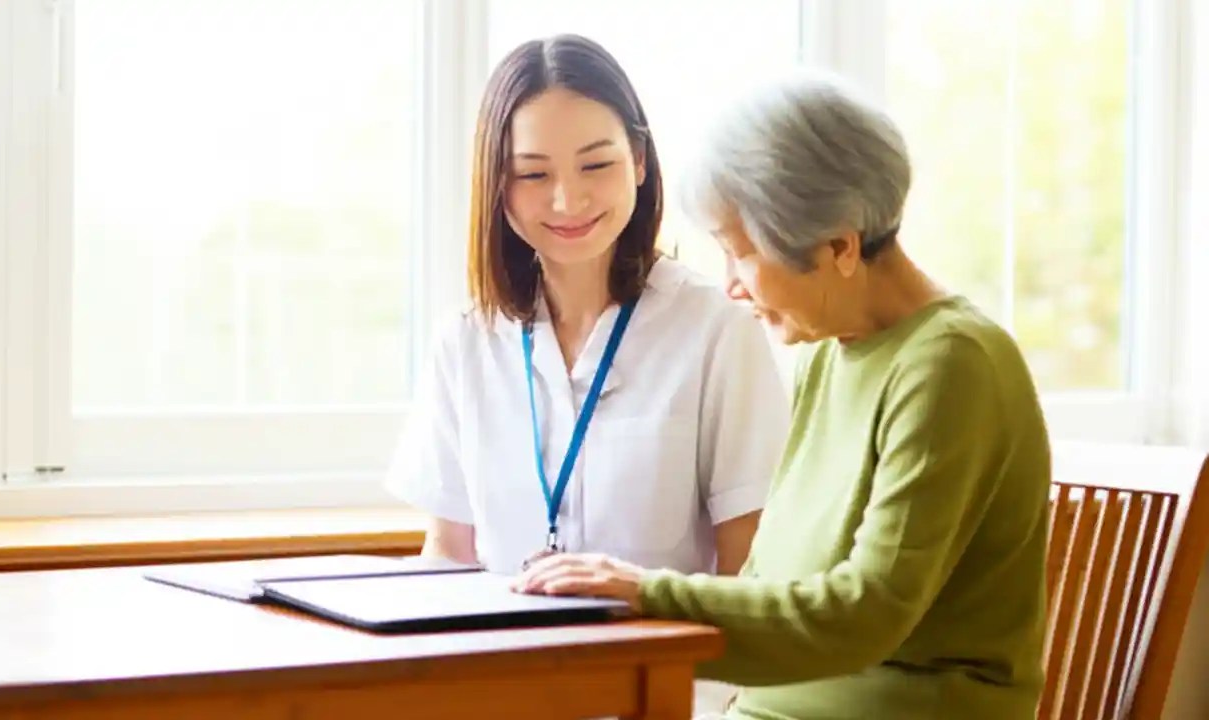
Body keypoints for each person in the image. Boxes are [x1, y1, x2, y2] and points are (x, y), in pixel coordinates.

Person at [514, 73, 1052, 720]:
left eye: (740, 255)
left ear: (839, 247)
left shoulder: (951, 365)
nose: (733, 288)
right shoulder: (827, 353)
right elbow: (775, 580)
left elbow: (863, 616)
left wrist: (645, 594)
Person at [384, 35, 786, 713]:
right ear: (497, 184)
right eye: (534, 173)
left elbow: (750, 571)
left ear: (638, 161)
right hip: (503, 696)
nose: (568, 200)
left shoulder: (718, 331)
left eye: (595, 163)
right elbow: (448, 553)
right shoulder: (466, 341)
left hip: (670, 698)